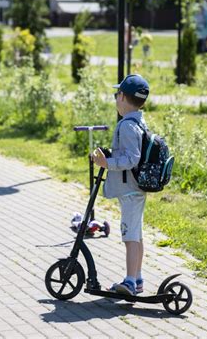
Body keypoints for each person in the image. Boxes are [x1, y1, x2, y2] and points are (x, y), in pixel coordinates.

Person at [91, 74, 150, 296]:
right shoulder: (138, 121)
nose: (116, 99)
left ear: (123, 97)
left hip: (131, 190)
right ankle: (138, 278)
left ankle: (130, 282)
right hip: (135, 189)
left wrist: (106, 163)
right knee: (136, 234)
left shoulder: (126, 125)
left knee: (130, 237)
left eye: (117, 95)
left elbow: (131, 159)